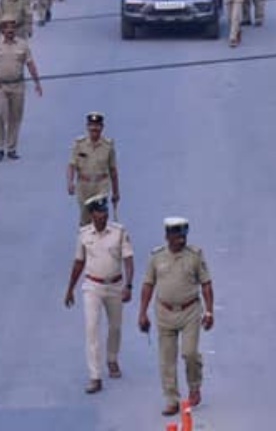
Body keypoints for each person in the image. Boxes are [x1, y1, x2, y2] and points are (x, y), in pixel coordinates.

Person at [138, 217, 214, 416]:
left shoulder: (195, 256)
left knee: (189, 353)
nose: (181, 240)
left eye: (184, 236)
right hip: (164, 312)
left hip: (190, 311)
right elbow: (148, 285)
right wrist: (142, 312)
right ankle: (171, 399)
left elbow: (206, 284)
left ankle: (194, 385)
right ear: (167, 236)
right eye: (177, 236)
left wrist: (209, 311)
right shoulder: (156, 257)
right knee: (167, 358)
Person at [64, 195, 134, 394]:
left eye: (105, 212)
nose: (103, 216)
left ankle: (112, 358)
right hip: (92, 286)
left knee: (115, 326)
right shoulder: (84, 235)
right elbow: (79, 262)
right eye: (99, 212)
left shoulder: (119, 232)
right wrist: (70, 289)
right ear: (91, 215)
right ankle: (95, 376)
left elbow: (128, 259)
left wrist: (129, 285)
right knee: (92, 329)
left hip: (115, 284)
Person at [0, 17, 43, 161]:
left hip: (17, 86)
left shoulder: (22, 45)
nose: (10, 30)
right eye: (7, 27)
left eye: (12, 27)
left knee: (15, 117)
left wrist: (37, 83)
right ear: (2, 30)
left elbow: (30, 64)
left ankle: (11, 148)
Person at [67, 112, 121, 225]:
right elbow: (72, 165)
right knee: (85, 218)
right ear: (87, 127)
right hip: (84, 186)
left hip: (101, 186)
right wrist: (70, 182)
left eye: (97, 126)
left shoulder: (108, 146)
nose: (94, 128)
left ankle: (101, 241)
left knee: (100, 216)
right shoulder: (79, 144)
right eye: (91, 125)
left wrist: (116, 192)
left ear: (102, 127)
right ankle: (85, 241)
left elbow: (113, 170)